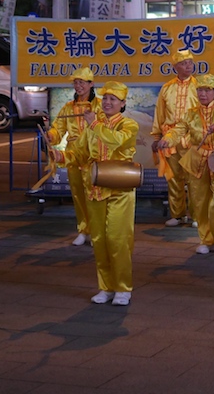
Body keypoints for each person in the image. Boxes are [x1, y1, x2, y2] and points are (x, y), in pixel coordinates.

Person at [160, 74, 214, 255]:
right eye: (200, 90)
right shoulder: (191, 113)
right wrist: (168, 140)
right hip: (197, 162)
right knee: (200, 202)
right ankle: (206, 239)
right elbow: (178, 130)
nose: (203, 94)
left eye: (207, 90)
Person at [79, 81, 140, 306]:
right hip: (95, 187)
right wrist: (60, 156)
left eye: (113, 99)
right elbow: (80, 153)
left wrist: (94, 125)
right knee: (99, 239)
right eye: (105, 98)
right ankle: (105, 287)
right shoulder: (93, 126)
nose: (107, 102)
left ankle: (123, 288)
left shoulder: (129, 125)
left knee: (118, 239)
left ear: (123, 103)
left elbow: (116, 141)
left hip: (119, 189)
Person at [45, 66, 103, 247]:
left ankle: (96, 231)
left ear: (91, 84)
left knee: (94, 194)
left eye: (82, 82)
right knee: (77, 194)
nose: (78, 86)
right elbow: (58, 128)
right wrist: (51, 134)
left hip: (92, 153)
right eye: (75, 82)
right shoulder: (68, 107)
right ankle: (83, 229)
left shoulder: (99, 105)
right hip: (72, 153)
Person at [150, 48, 198, 227]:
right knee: (173, 177)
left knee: (194, 178)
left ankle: (195, 215)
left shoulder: (199, 86)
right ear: (175, 66)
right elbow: (160, 114)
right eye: (184, 63)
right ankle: (177, 215)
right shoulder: (167, 88)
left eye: (190, 63)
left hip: (192, 137)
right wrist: (157, 137)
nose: (188, 66)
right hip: (170, 138)